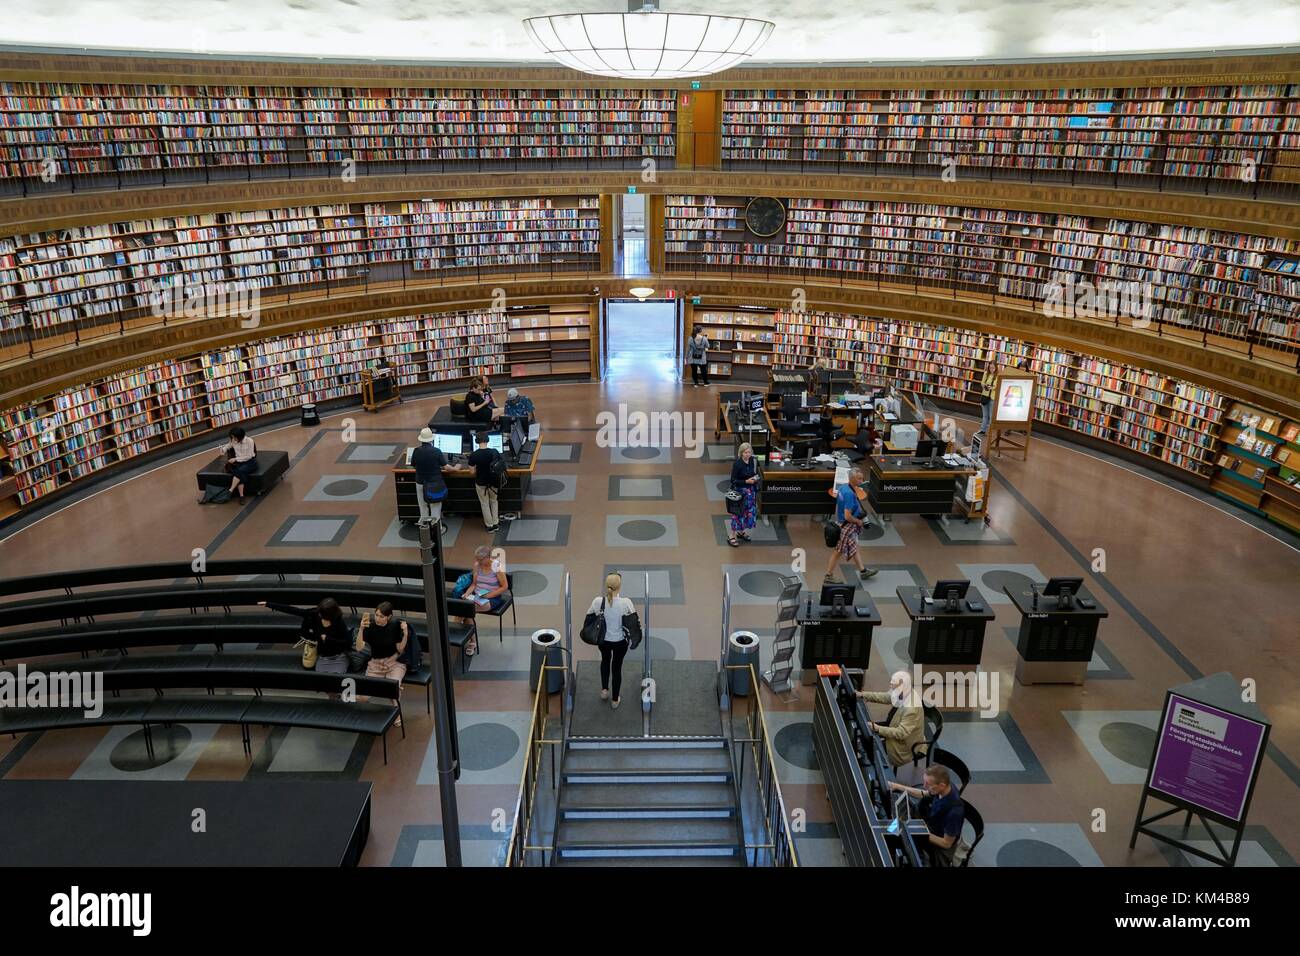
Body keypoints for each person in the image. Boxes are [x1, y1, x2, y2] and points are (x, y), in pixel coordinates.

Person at [888, 765, 966, 866]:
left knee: (904, 842)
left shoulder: (955, 812)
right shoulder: (944, 788)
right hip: (931, 827)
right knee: (894, 832)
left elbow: (946, 844)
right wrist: (897, 786)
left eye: (928, 784)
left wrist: (919, 832)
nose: (924, 786)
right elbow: (924, 793)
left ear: (942, 785)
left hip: (939, 845)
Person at [858, 670, 927, 781]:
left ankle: (868, 777)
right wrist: (863, 695)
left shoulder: (912, 709)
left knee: (870, 749)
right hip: (893, 725)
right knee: (864, 732)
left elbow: (900, 733)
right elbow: (887, 697)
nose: (891, 688)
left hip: (902, 746)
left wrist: (876, 728)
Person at [260, 597, 351, 674]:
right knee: (322, 677)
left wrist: (328, 639)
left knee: (337, 677)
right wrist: (269, 604)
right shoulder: (315, 614)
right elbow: (293, 610)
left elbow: (347, 642)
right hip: (322, 655)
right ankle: (333, 695)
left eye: (322, 614)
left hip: (338, 655)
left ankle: (334, 694)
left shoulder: (339, 622)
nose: (319, 615)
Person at [586, 572, 638, 709]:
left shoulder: (598, 602)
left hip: (603, 641)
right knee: (617, 668)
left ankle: (604, 691)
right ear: (619, 587)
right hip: (620, 642)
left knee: (605, 661)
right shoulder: (626, 603)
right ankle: (615, 700)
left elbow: (589, 617)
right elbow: (634, 623)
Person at [358, 600, 410, 724]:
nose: (378, 618)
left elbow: (400, 649)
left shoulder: (394, 627)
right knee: (363, 697)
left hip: (394, 663)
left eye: (381, 616)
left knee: (393, 689)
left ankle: (396, 711)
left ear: (389, 616)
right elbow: (359, 648)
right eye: (376, 615)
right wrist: (361, 629)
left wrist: (405, 634)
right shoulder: (369, 627)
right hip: (376, 664)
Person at [825, 467, 879, 581]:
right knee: (838, 551)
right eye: (859, 478)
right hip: (846, 526)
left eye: (862, 478)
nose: (861, 480)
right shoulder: (849, 494)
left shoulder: (843, 488)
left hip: (841, 523)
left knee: (854, 547)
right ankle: (828, 576)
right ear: (852, 478)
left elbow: (838, 506)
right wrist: (858, 521)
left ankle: (863, 571)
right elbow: (848, 516)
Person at [411, 427, 452, 533]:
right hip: (435, 483)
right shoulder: (436, 451)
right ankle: (437, 529)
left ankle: (424, 529)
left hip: (420, 482)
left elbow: (414, 465)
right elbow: (446, 467)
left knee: (423, 505)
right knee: (435, 507)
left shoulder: (416, 451)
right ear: (431, 440)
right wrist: (456, 467)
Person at [467, 431, 504, 532]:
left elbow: (471, 472)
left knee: (484, 504)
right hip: (493, 482)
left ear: (476, 441)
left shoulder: (474, 455)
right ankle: (496, 523)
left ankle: (489, 525)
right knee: (494, 501)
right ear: (487, 440)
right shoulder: (494, 452)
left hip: (481, 483)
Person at [727, 441, 760, 547]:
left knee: (747, 513)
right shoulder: (737, 464)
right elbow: (733, 480)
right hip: (740, 494)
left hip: (750, 493)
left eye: (749, 452)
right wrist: (746, 481)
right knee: (737, 514)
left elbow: (751, 472)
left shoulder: (750, 460)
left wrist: (755, 478)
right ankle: (732, 536)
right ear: (741, 453)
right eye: (745, 452)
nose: (748, 455)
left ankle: (741, 532)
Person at [220, 426, 258, 505]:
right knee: (240, 473)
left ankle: (230, 490)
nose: (233, 439)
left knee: (239, 471)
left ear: (240, 436)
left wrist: (236, 459)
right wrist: (223, 450)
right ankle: (241, 496)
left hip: (250, 461)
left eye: (234, 437)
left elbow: (249, 456)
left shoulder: (249, 441)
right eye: (232, 437)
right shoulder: (234, 440)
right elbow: (228, 445)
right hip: (239, 463)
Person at [468, 545, 509, 613]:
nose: (478, 561)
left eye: (480, 559)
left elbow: (505, 587)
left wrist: (488, 596)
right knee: (465, 608)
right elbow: (474, 584)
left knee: (465, 609)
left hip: (493, 597)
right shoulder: (477, 565)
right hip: (477, 596)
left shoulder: (496, 566)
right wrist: (467, 594)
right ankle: (468, 623)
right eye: (477, 559)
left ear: (488, 557)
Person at [978, 359, 999, 436]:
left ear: (996, 368)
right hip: (985, 396)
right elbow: (982, 382)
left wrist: (991, 387)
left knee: (991, 416)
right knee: (985, 415)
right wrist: (984, 386)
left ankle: (990, 432)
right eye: (990, 368)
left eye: (993, 368)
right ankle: (983, 430)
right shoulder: (986, 373)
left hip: (992, 398)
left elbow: (997, 386)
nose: (991, 369)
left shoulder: (998, 376)